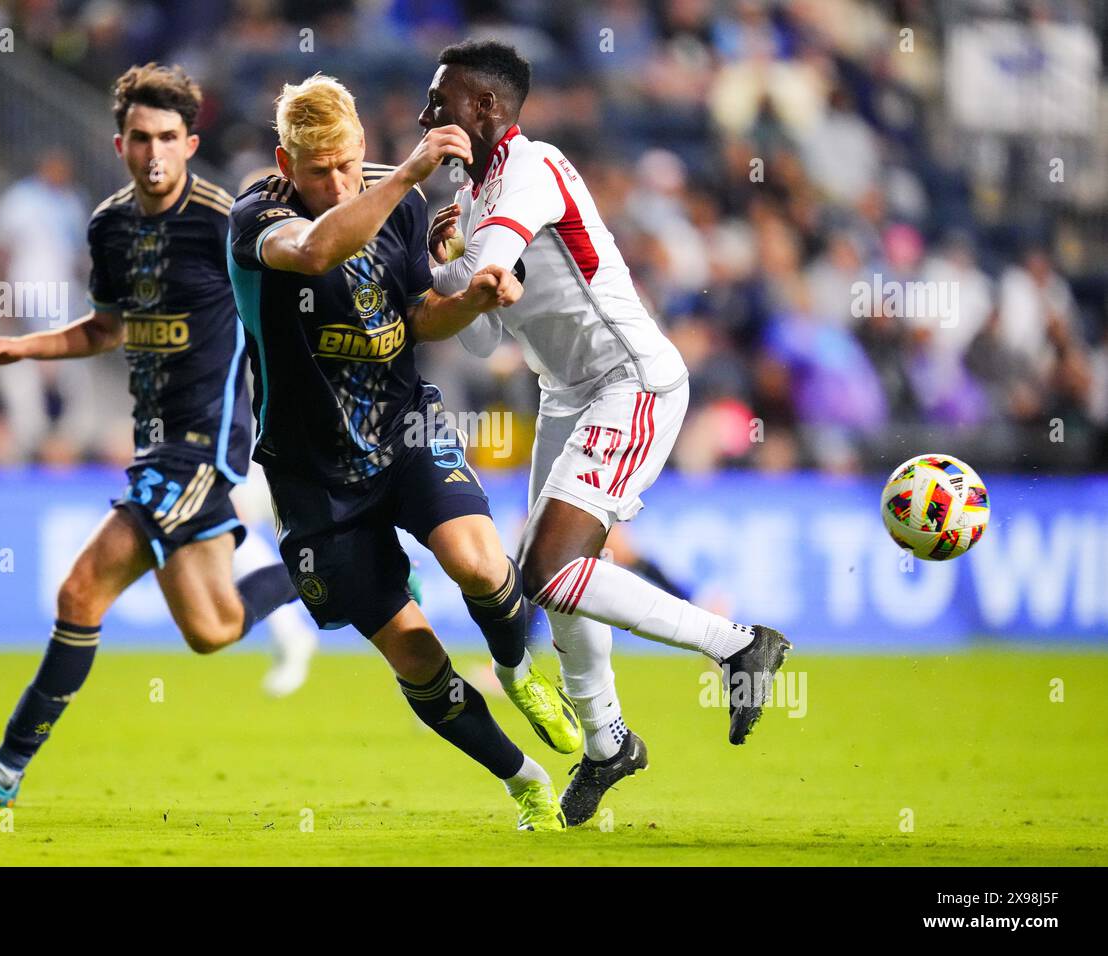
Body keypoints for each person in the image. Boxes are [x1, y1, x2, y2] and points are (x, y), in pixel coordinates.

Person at [0, 63, 300, 807]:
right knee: (212, 628)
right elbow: (108, 328)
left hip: (206, 445)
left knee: (80, 591)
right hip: (153, 442)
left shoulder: (226, 222)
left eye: (169, 138)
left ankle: (0, 772)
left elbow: (284, 306)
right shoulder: (110, 225)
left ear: (190, 141)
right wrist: (24, 345)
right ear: (119, 142)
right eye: (140, 138)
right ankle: (340, 572)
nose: (154, 153)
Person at [418, 40, 792, 826]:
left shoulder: (533, 168)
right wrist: (443, 256)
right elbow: (481, 333)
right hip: (567, 397)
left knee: (550, 570)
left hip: (633, 383)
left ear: (484, 108)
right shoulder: (475, 198)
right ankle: (607, 742)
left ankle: (736, 643)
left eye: (440, 102)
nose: (427, 117)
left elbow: (489, 275)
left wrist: (454, 261)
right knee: (552, 580)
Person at [227, 74, 576, 829]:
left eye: (349, 163)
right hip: (312, 476)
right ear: (287, 166)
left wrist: (477, 299)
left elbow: (419, 317)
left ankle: (518, 671)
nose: (339, 181)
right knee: (416, 656)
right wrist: (413, 170)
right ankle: (526, 782)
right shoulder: (257, 216)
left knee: (481, 563)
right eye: (319, 170)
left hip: (405, 433)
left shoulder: (399, 200)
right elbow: (318, 251)